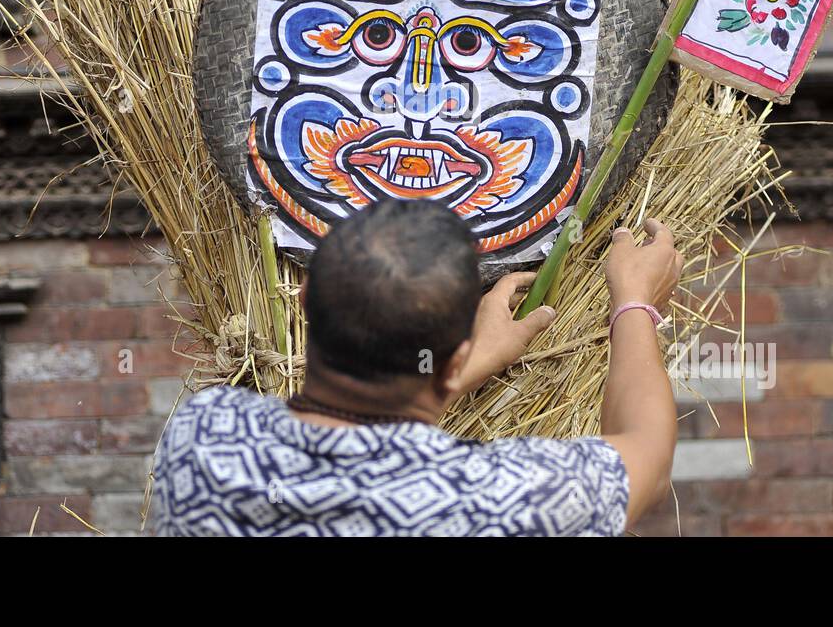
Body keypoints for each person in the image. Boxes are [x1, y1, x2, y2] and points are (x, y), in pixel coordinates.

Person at [152, 199, 681, 536]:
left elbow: (357, 433)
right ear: (451, 362)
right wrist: (634, 301)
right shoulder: (501, 498)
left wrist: (451, 370)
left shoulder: (202, 439)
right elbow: (649, 457)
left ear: (306, 300)